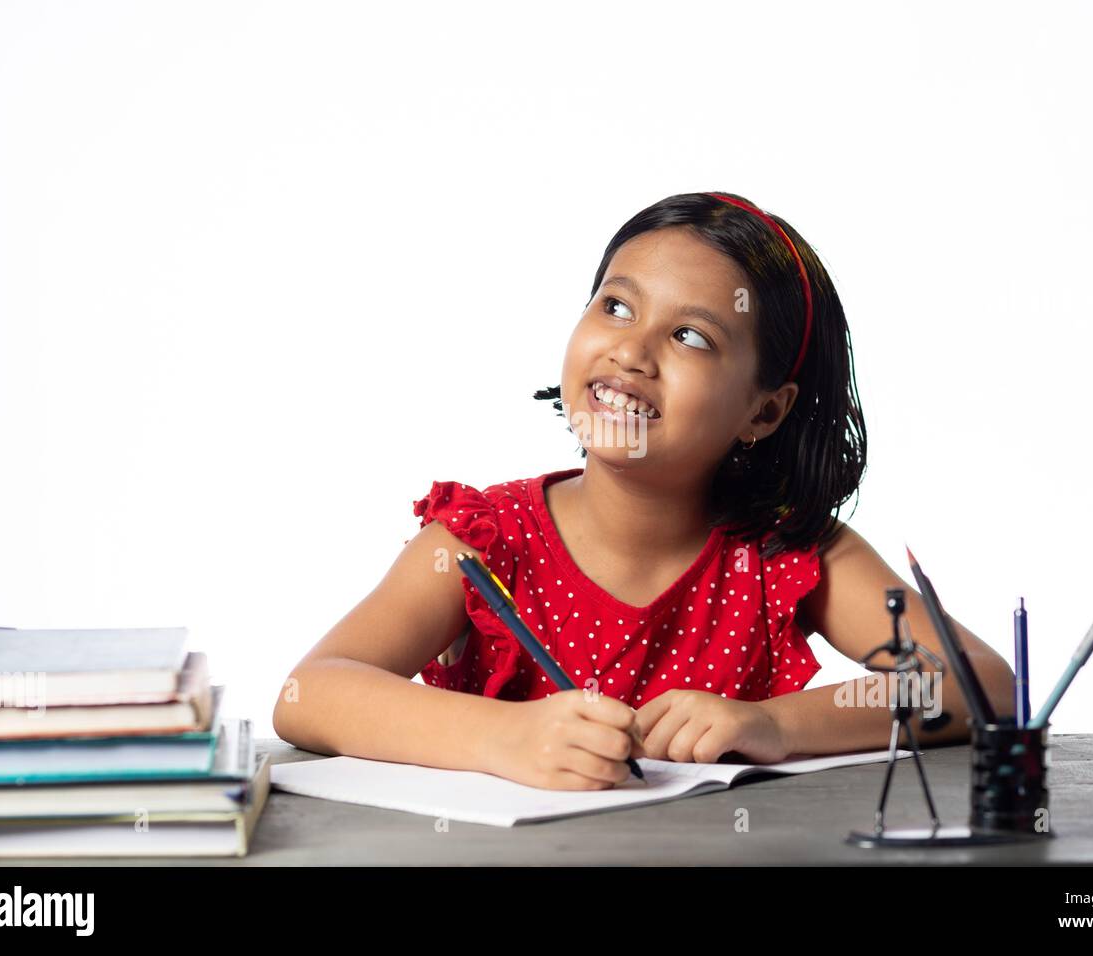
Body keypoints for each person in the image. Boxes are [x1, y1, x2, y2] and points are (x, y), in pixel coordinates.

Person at [273, 191, 1015, 791]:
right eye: (616, 307)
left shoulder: (786, 553)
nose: (631, 351)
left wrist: (776, 726)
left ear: (764, 410)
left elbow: (980, 684)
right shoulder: (482, 540)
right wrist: (503, 738)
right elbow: (312, 693)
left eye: (691, 337)